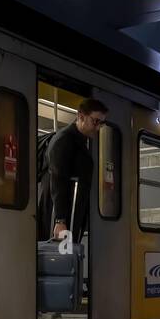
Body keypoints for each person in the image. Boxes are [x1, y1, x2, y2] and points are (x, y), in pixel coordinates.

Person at [37, 98, 107, 243]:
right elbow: (57, 180)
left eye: (101, 123)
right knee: (61, 258)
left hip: (71, 214)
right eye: (96, 121)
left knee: (68, 258)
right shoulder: (64, 140)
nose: (99, 127)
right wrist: (60, 220)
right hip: (59, 217)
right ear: (81, 117)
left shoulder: (79, 141)